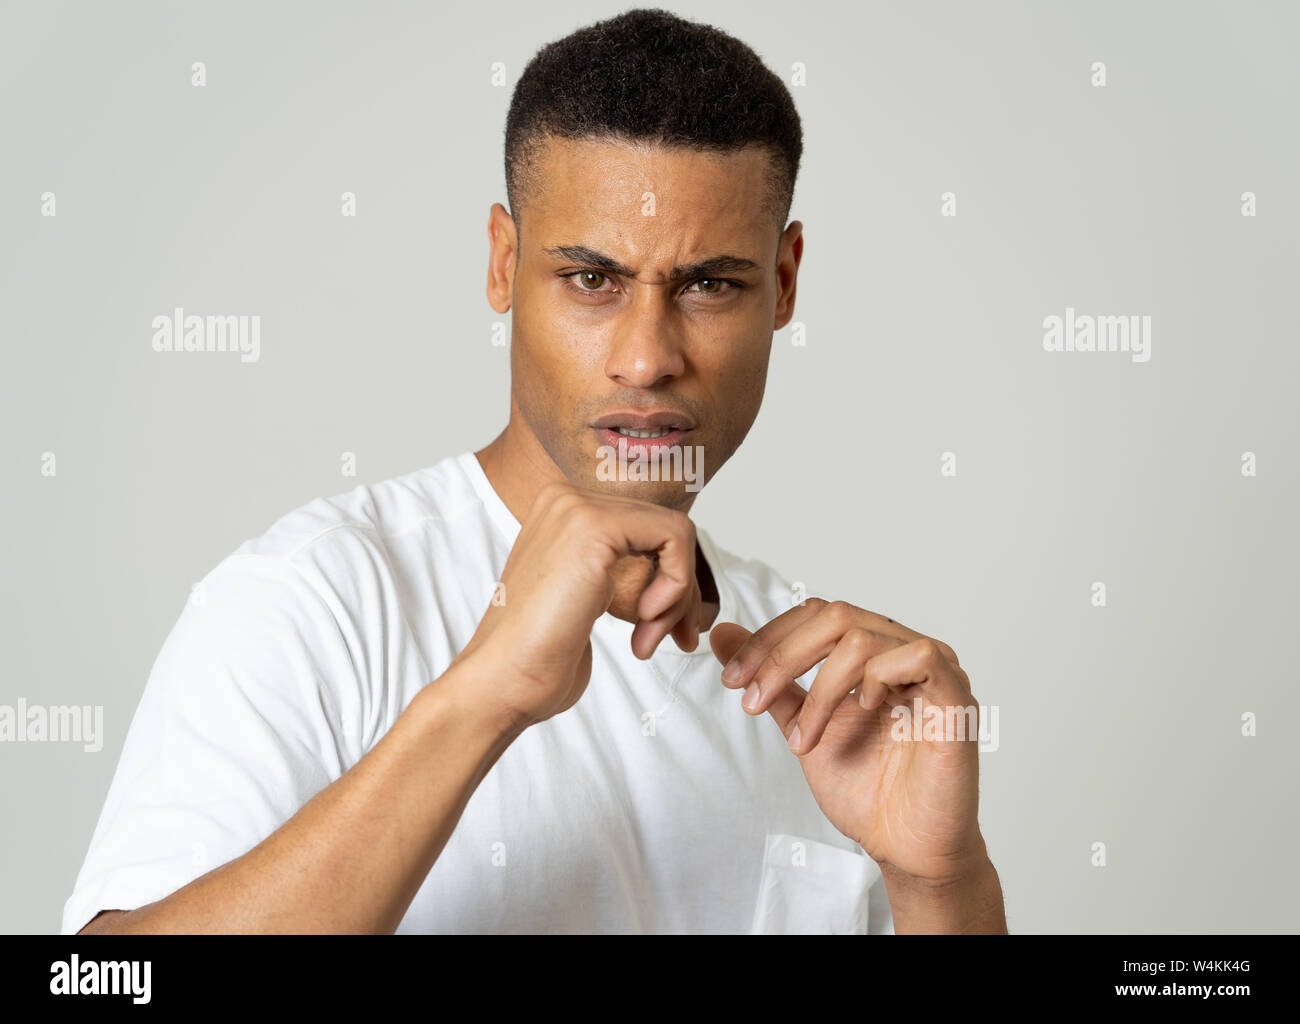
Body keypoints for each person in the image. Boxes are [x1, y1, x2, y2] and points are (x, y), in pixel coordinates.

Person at [64, 7, 1006, 935]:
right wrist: (484, 695)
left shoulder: (822, 688)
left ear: (786, 283)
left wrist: (938, 881)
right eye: (592, 279)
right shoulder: (316, 602)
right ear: (504, 265)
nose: (646, 358)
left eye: (709, 284)